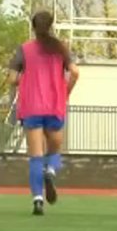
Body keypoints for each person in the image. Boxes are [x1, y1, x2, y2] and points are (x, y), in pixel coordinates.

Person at [7, 11, 80, 216]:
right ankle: (51, 170)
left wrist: (25, 78)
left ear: (33, 27)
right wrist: (65, 92)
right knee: (55, 146)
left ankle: (38, 199)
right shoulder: (61, 49)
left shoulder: (24, 50)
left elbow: (12, 78)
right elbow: (75, 73)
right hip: (54, 104)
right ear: (51, 26)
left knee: (35, 155)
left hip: (31, 105)